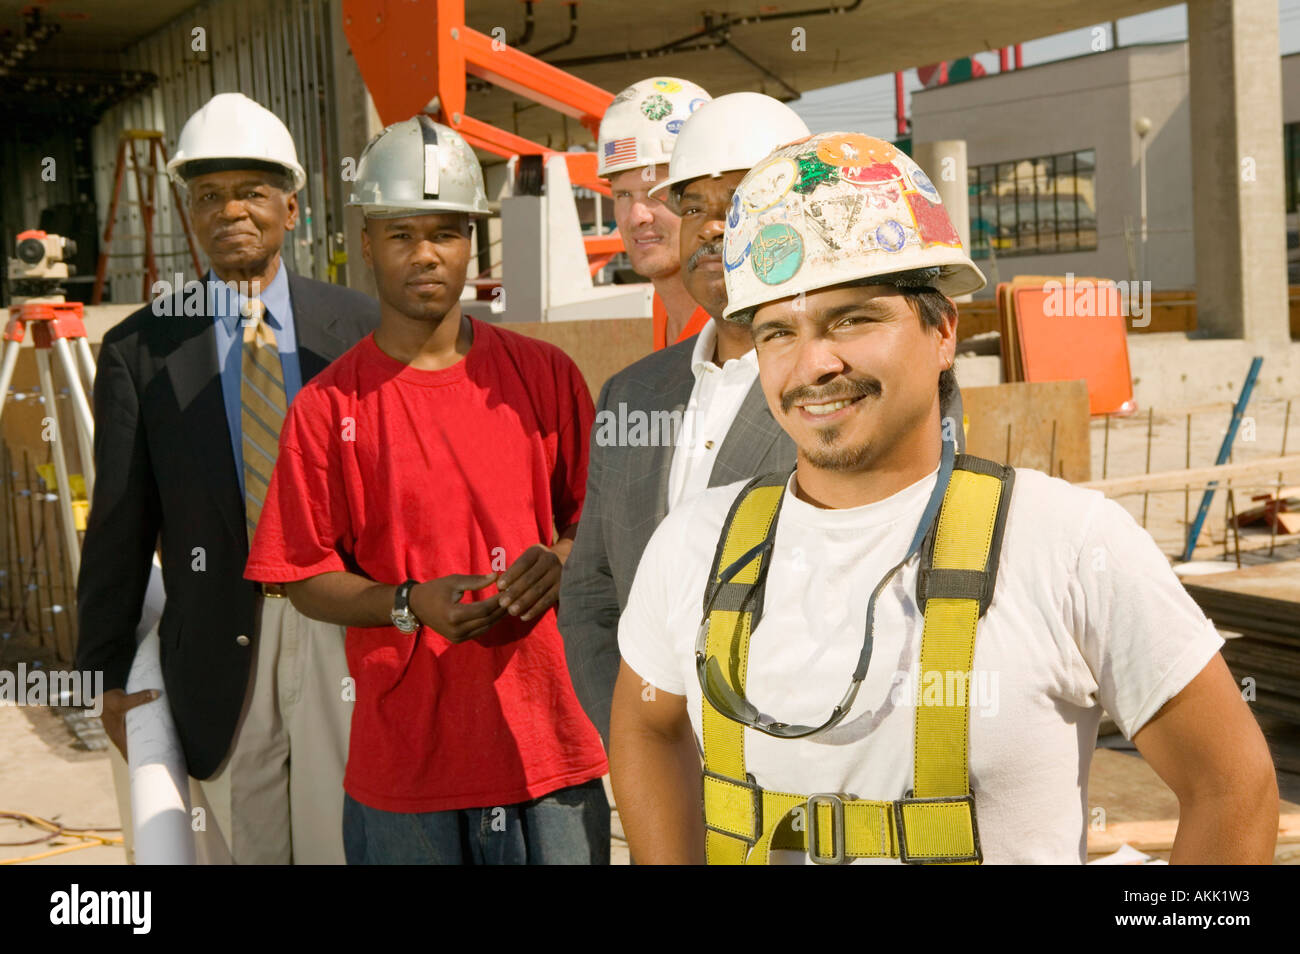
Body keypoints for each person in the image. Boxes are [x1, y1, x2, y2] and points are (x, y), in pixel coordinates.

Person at [610, 132, 1279, 864]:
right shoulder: (696, 543)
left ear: (943, 331)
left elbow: (1231, 787)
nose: (813, 364)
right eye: (778, 331)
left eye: (853, 319)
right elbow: (648, 726)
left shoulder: (1067, 542)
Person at [244, 115, 609, 865]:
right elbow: (302, 575)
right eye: (401, 234)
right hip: (406, 765)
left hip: (547, 747)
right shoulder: (327, 409)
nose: (425, 254)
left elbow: (597, 526)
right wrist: (408, 603)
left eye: (445, 233)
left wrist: (561, 562)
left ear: (471, 241)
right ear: (367, 243)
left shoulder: (545, 377)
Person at [76, 92, 379, 864]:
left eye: (251, 191)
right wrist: (104, 671)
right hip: (217, 644)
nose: (230, 210)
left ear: (290, 207)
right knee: (245, 845)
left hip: (342, 630)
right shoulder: (141, 349)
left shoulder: (361, 330)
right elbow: (118, 523)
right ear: (190, 213)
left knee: (346, 841)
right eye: (209, 195)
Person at [560, 93, 807, 747]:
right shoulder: (632, 395)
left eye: (737, 204)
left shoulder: (842, 388)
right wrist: (640, 745)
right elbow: (590, 595)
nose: (710, 229)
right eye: (693, 208)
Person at [597, 76, 712, 349]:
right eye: (623, 195)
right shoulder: (664, 304)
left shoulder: (731, 325)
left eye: (655, 193)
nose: (637, 217)